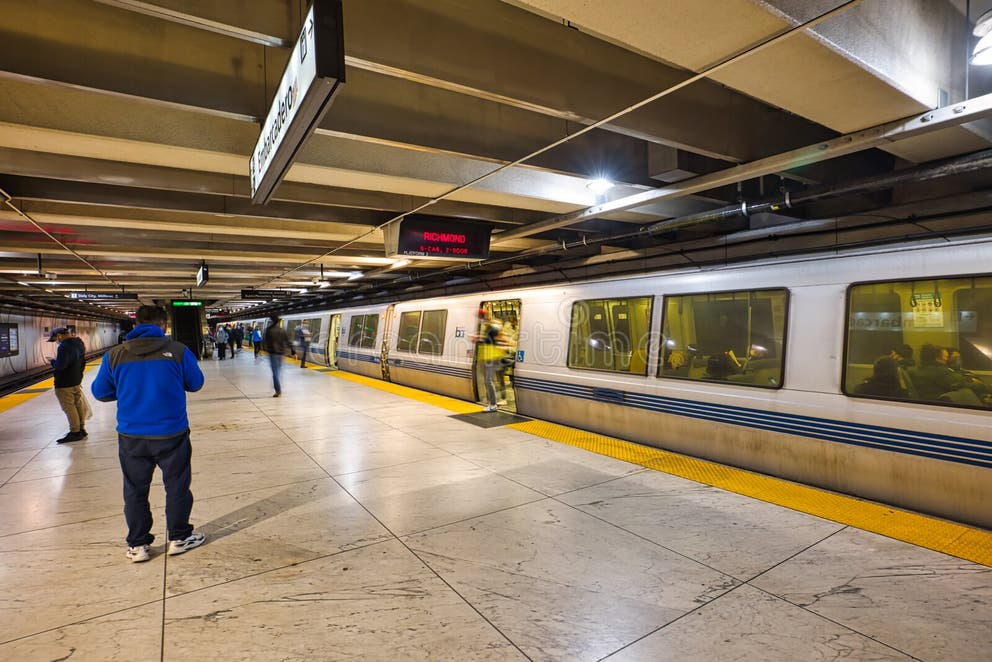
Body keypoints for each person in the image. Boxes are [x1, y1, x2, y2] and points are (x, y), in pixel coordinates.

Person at [91, 305, 206, 563]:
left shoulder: (115, 355)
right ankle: (179, 537)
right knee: (176, 486)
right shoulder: (178, 351)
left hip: (132, 435)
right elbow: (196, 384)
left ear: (135, 324)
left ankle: (139, 545)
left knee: (134, 489)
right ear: (164, 326)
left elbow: (100, 392)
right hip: (172, 433)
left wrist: (127, 390)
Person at [48, 326, 92, 443]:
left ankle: (75, 432)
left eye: (55, 339)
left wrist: (52, 361)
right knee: (78, 406)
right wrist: (79, 377)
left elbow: (61, 365)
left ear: (59, 336)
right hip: (76, 380)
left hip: (64, 383)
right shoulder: (79, 343)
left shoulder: (64, 346)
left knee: (69, 408)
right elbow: (83, 362)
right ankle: (81, 429)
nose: (56, 342)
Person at [476, 314, 506, 412]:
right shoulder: (490, 328)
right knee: (491, 380)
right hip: (491, 356)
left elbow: (500, 337)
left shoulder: (493, 327)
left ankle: (493, 404)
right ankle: (495, 401)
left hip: (491, 357)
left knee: (489, 381)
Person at [263, 315, 295, 397]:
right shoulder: (282, 330)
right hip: (281, 354)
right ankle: (277, 385)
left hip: (273, 354)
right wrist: (293, 352)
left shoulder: (268, 330)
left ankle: (278, 390)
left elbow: (264, 342)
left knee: (275, 372)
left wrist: (265, 350)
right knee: (278, 371)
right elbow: (288, 341)